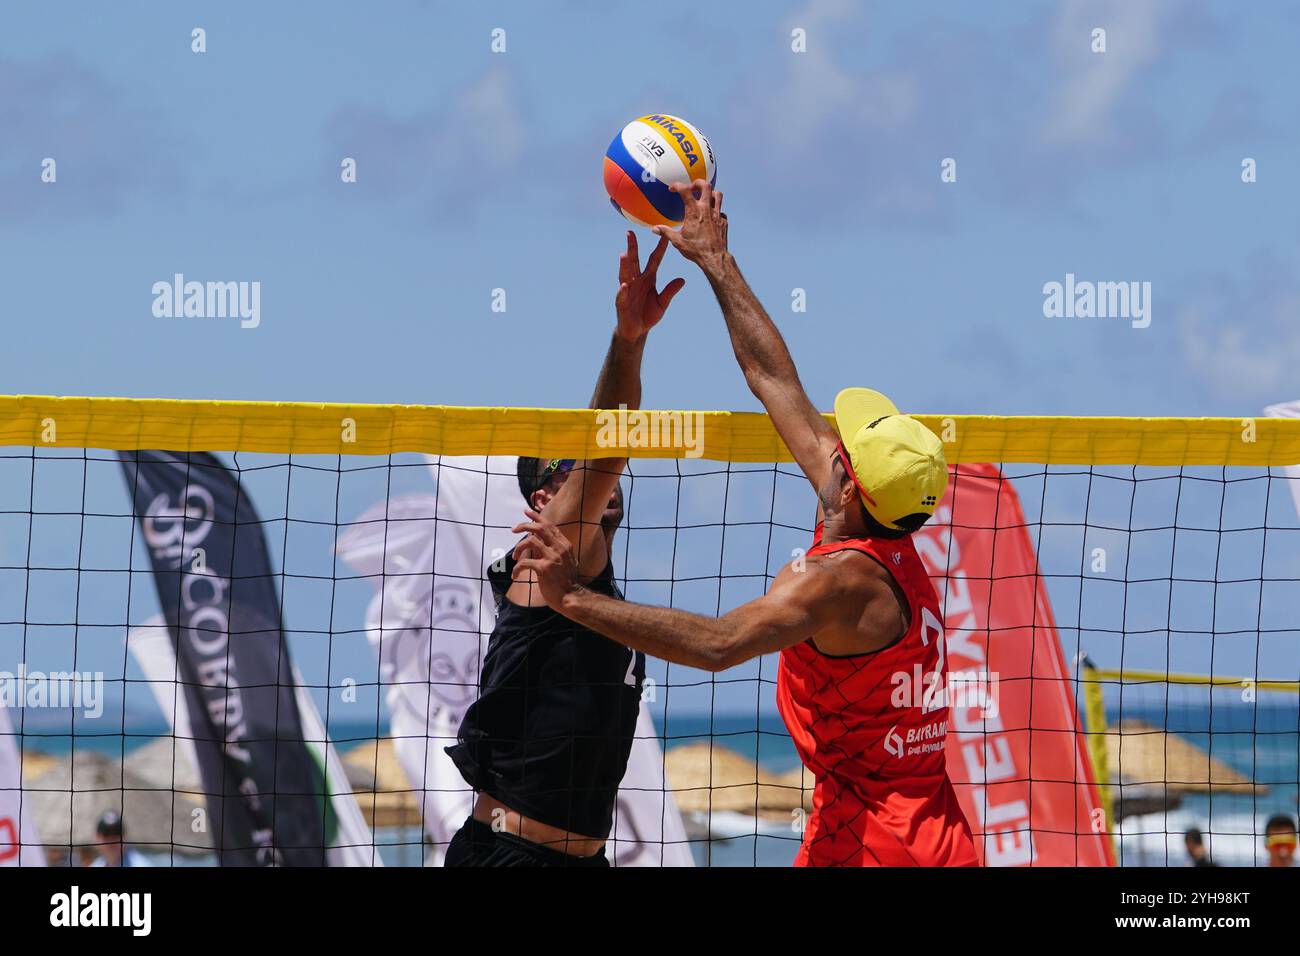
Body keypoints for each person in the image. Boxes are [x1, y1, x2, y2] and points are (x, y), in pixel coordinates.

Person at [514, 179, 978, 867]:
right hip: (941, 835)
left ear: (849, 483)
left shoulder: (838, 580)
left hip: (875, 849)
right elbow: (773, 377)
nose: (828, 444)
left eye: (840, 448)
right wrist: (712, 259)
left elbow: (720, 644)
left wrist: (573, 599)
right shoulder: (885, 529)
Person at [443, 231, 683, 866]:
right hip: (511, 857)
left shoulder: (589, 588)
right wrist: (628, 339)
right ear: (540, 507)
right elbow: (610, 442)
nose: (585, 481)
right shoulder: (542, 568)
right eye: (565, 475)